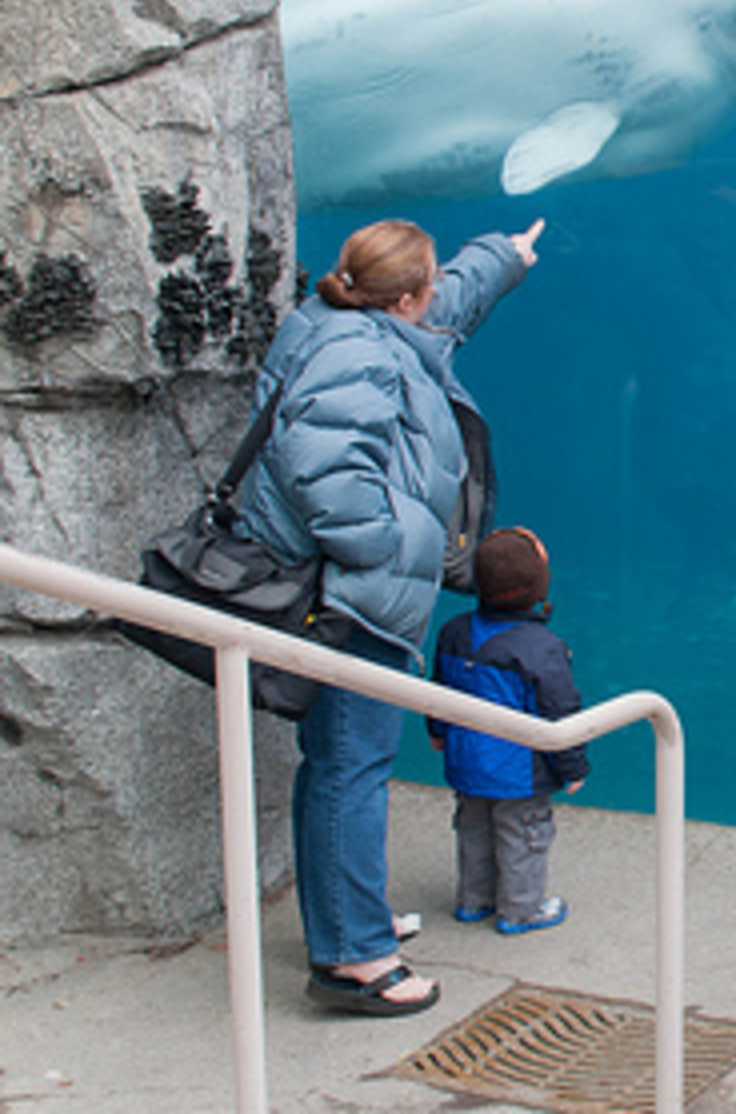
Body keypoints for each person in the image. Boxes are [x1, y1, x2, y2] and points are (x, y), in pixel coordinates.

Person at [234, 215, 546, 1017]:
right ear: (406, 296)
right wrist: (391, 549)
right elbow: (326, 472)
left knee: (338, 762)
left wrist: (505, 258)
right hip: (349, 602)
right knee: (350, 763)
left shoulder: (349, 321)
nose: (440, 293)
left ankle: (350, 919)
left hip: (353, 594)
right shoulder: (360, 353)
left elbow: (450, 308)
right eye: (432, 280)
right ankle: (353, 960)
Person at [428, 526, 588, 934]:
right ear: (539, 588)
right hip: (520, 772)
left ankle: (473, 900)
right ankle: (521, 908)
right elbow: (561, 712)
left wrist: (438, 731)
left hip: (465, 762)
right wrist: (573, 766)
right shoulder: (541, 647)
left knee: (474, 830)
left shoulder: (454, 632)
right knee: (524, 835)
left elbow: (438, 691)